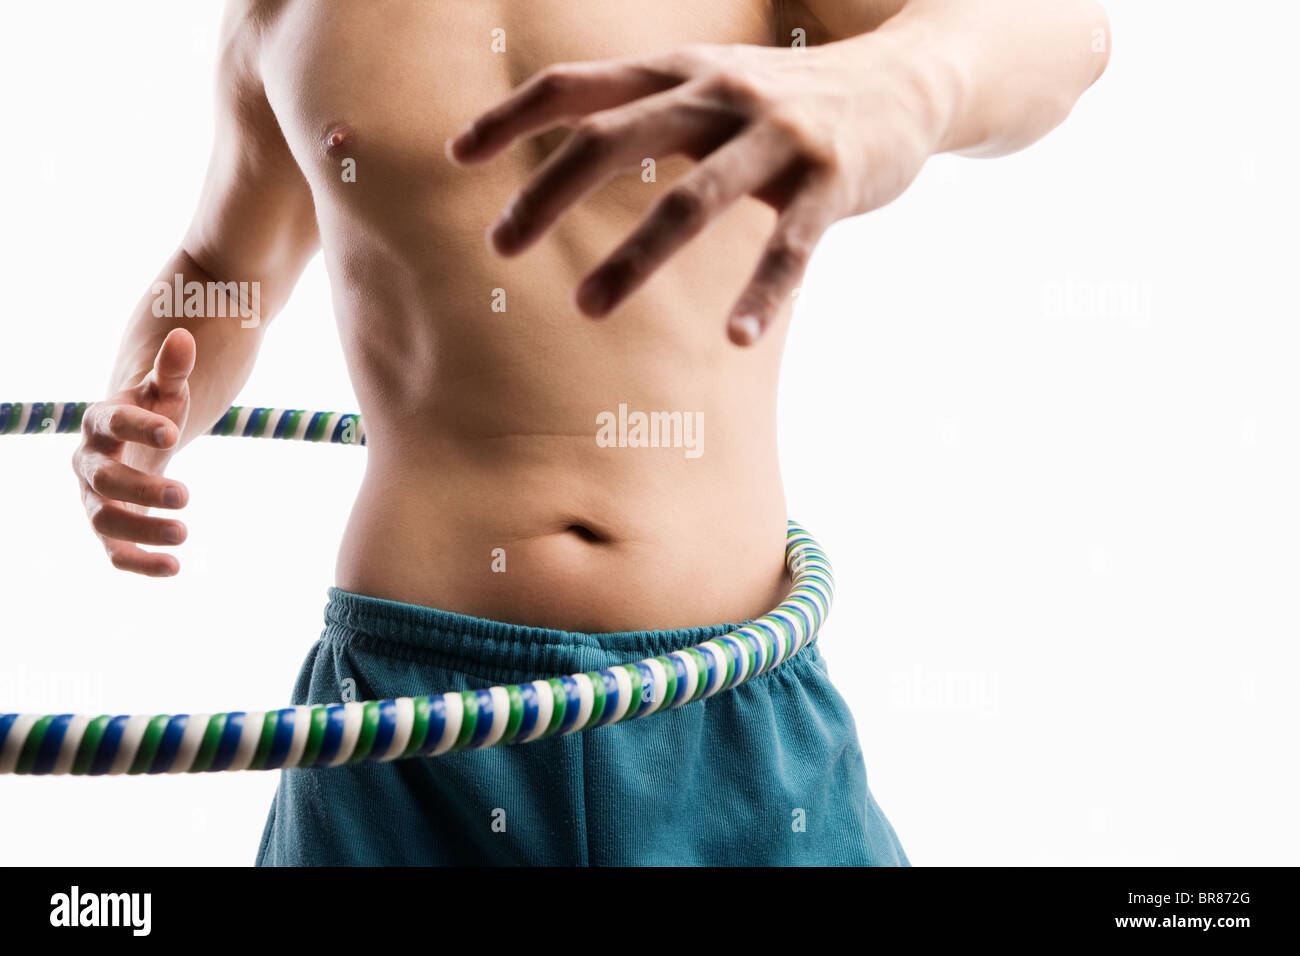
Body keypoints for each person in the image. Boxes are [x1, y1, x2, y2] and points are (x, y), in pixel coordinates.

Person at [70, 0, 1109, 865]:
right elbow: (218, 268)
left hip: (728, 716)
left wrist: (904, 80)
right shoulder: (283, 13)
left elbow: (1065, 36)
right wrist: (144, 403)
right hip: (399, 739)